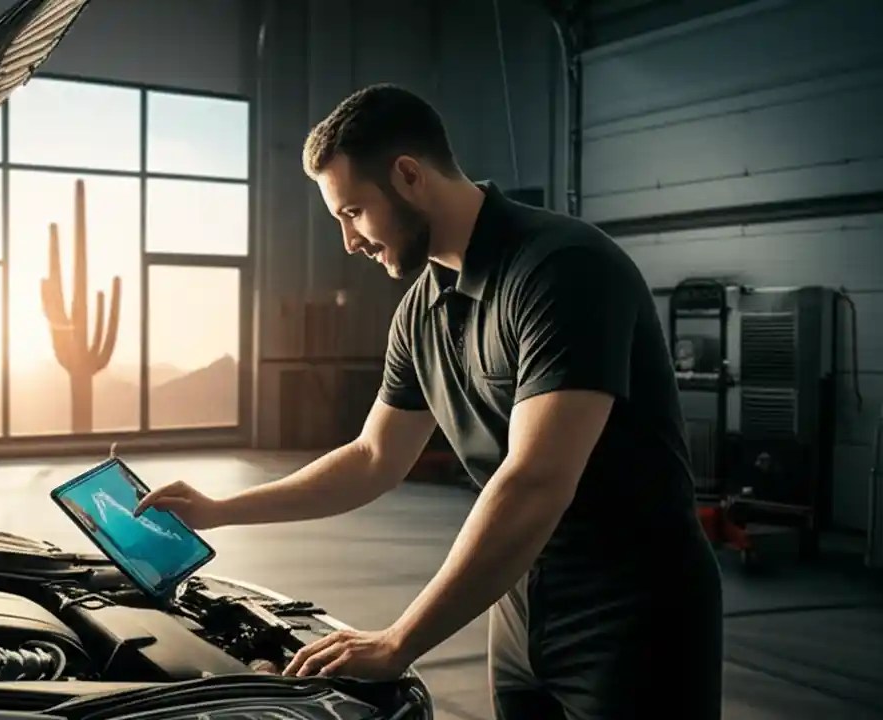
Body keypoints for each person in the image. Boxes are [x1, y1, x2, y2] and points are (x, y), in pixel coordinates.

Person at [135, 84, 723, 719]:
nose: (349, 241)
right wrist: (219, 510)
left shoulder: (564, 268)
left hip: (633, 612)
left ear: (409, 176)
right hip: (517, 603)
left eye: (353, 212)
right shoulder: (420, 311)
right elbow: (372, 457)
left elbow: (536, 479)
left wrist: (400, 641)